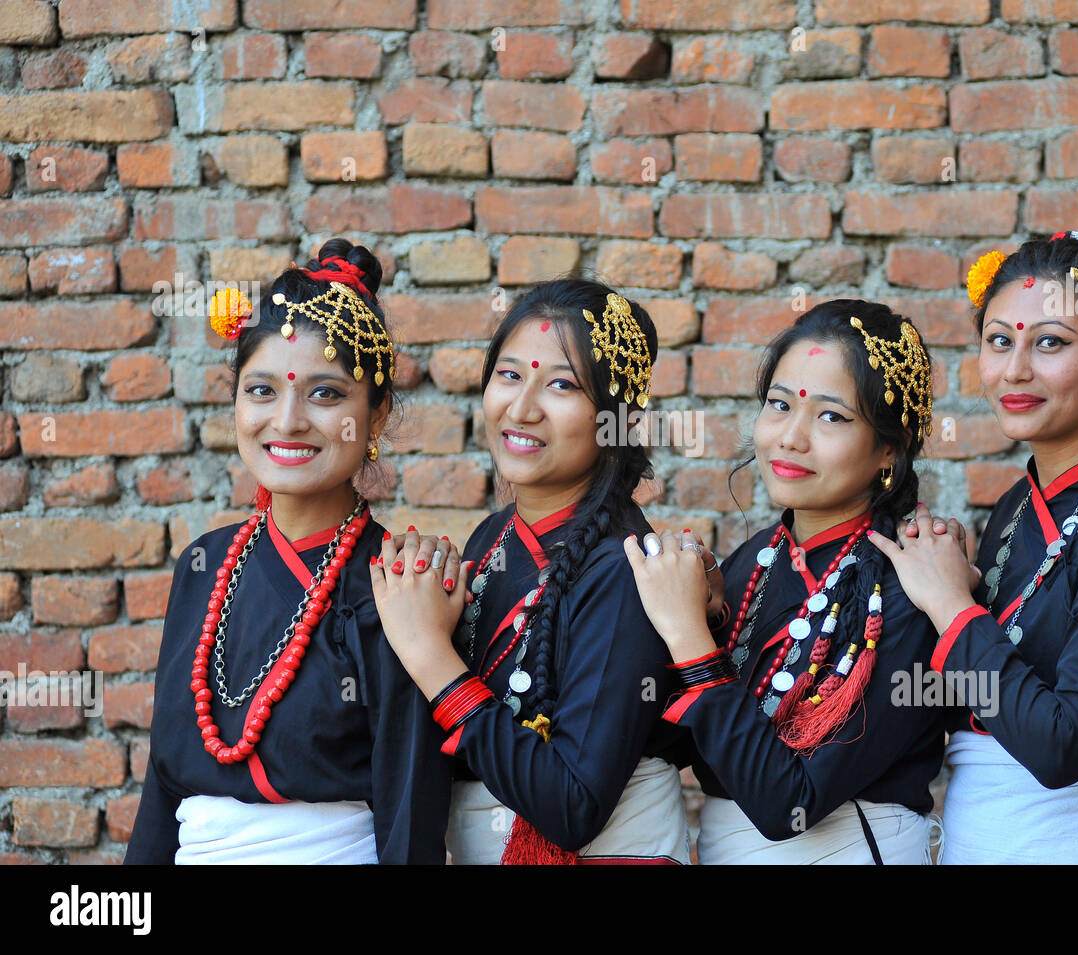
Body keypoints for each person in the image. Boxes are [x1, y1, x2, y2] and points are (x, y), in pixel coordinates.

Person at [870, 226, 1078, 864]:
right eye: (999, 341)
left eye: (1050, 342)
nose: (1015, 369)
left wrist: (953, 610)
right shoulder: (1019, 504)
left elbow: (1061, 746)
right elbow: (986, 698)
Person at [125, 239, 450, 864]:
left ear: (376, 417)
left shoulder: (399, 584)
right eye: (263, 391)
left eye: (326, 394)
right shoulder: (201, 568)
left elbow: (411, 816)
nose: (289, 420)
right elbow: (162, 791)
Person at [372, 278, 689, 864]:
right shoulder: (494, 539)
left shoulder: (625, 569)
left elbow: (575, 805)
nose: (521, 408)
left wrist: (428, 654)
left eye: (562, 385)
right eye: (510, 375)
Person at [624, 300, 946, 864]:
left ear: (889, 449)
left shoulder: (907, 586)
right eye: (779, 405)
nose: (790, 437)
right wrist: (705, 620)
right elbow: (679, 746)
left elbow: (789, 802)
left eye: (831, 417)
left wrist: (689, 639)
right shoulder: (756, 563)